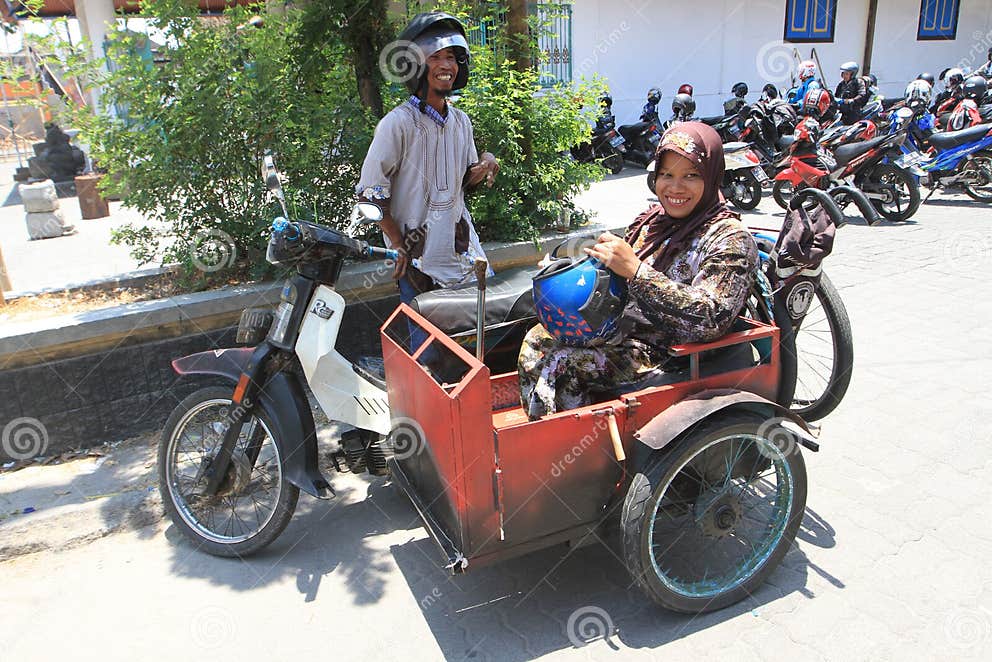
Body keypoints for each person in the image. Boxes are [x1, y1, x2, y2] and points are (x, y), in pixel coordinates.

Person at [518, 123, 759, 418]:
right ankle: (542, 429)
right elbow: (611, 267)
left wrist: (637, 271)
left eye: (691, 176)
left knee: (565, 361)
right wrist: (565, 268)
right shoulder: (653, 221)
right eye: (666, 175)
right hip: (622, 331)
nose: (675, 188)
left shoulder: (730, 239)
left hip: (669, 353)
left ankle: (577, 453)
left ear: (711, 178)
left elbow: (711, 317)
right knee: (536, 338)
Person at [356, 12, 499, 304]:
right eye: (435, 57)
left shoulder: (461, 122)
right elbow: (370, 193)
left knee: (478, 337)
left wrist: (485, 162)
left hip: (463, 253)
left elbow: (463, 182)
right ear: (415, 65)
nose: (446, 65)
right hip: (419, 260)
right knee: (426, 346)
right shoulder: (397, 124)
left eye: (452, 57)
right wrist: (397, 243)